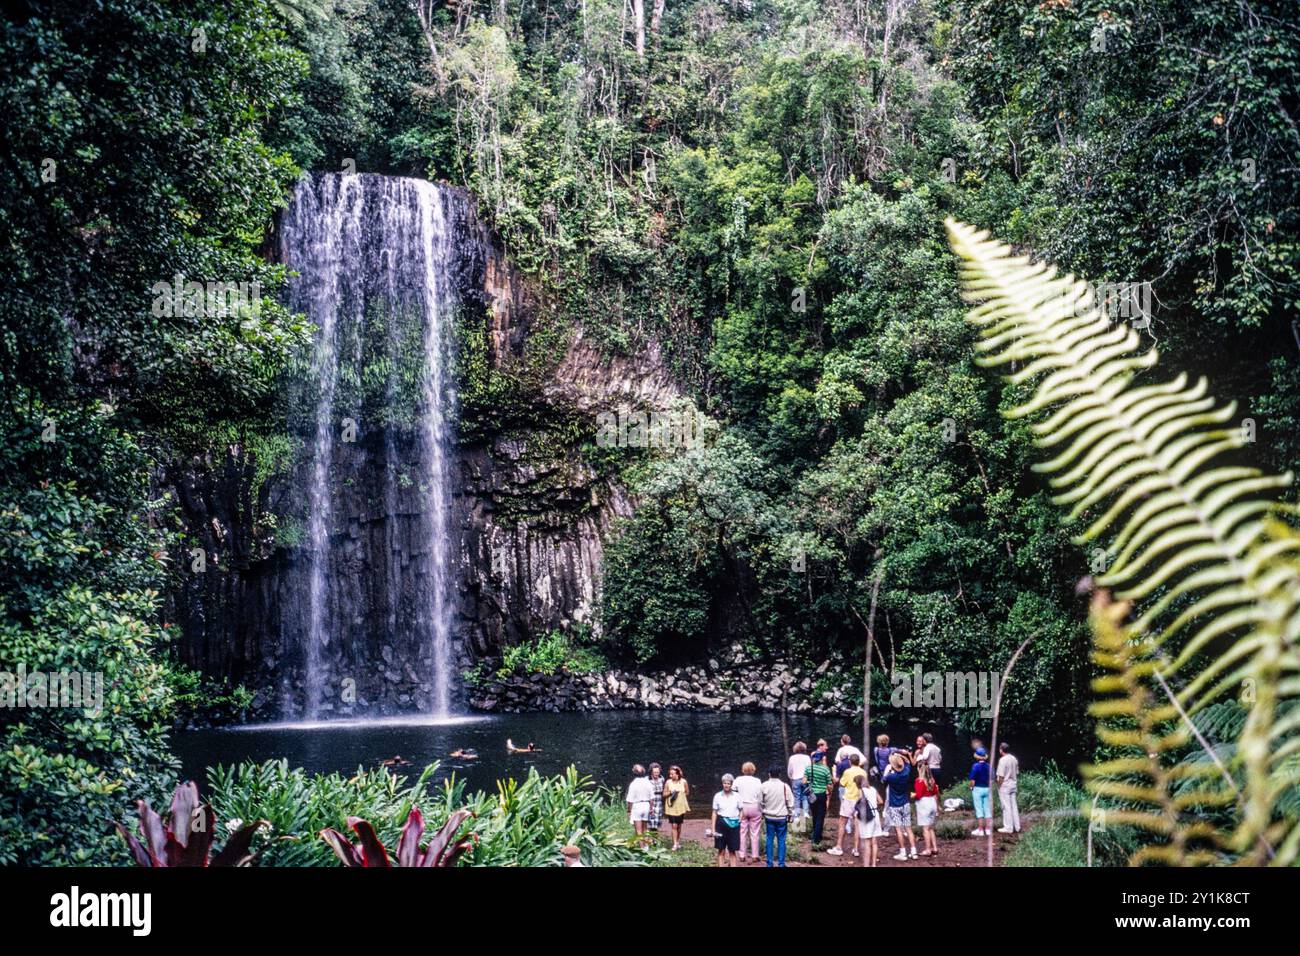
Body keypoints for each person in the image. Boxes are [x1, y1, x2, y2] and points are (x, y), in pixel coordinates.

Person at [829, 753, 867, 857]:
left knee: (842, 822)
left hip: (849, 799)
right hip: (859, 799)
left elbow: (842, 783)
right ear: (858, 762)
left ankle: (839, 847)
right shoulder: (863, 772)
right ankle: (856, 849)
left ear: (850, 761)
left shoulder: (847, 771)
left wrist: (834, 771)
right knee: (857, 825)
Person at [882, 752, 917, 861]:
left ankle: (903, 852)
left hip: (894, 806)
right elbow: (907, 762)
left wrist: (890, 769)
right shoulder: (906, 771)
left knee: (898, 829)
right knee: (909, 829)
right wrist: (902, 754)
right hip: (905, 803)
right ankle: (913, 851)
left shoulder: (891, 776)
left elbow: (883, 780)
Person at [760, 766, 795, 867]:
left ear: (769, 774)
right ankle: (781, 863)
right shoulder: (785, 786)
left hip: (769, 817)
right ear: (779, 774)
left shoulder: (764, 786)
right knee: (781, 840)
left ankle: (769, 863)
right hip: (781, 818)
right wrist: (791, 814)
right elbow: (791, 802)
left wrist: (763, 811)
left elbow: (759, 802)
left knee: (769, 839)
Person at [734, 761, 764, 863]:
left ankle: (742, 854)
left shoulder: (738, 779)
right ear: (753, 770)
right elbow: (760, 795)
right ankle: (755, 855)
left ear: (743, 770)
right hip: (755, 806)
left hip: (743, 806)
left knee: (742, 831)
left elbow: (733, 791)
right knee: (755, 832)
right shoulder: (757, 781)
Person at [711, 773, 743, 867]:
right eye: (725, 783)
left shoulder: (737, 796)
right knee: (721, 849)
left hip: (734, 825)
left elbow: (741, 810)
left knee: (732, 850)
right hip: (721, 823)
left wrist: (739, 820)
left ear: (731, 784)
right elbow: (714, 812)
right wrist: (713, 828)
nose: (726, 785)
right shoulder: (717, 796)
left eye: (728, 783)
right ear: (722, 784)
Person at [804, 750, 833, 845]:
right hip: (821, 794)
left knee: (814, 815)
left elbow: (804, 781)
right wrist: (829, 792)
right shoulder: (825, 769)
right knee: (821, 816)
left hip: (811, 794)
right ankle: (816, 839)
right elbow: (829, 784)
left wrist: (809, 782)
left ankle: (816, 835)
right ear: (821, 759)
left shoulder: (808, 768)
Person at [856, 772, 884, 867]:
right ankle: (874, 864)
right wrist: (873, 803)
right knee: (874, 841)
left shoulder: (861, 791)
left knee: (867, 842)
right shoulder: (873, 789)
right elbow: (881, 801)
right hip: (875, 814)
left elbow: (858, 804)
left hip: (868, 816)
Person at [913, 761, 940, 857]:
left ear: (919, 769)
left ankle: (928, 850)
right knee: (931, 828)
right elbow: (936, 792)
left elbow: (919, 795)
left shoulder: (919, 781)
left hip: (924, 804)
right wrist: (937, 807)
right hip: (932, 802)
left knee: (925, 829)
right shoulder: (932, 780)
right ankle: (935, 848)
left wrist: (913, 795)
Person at [663, 765, 690, 851]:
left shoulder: (683, 782)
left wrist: (680, 796)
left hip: (681, 807)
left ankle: (677, 841)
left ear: (677, 774)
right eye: (670, 774)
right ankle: (674, 843)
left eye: (672, 774)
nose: (670, 776)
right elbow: (664, 794)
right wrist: (671, 793)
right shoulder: (668, 782)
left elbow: (687, 792)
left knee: (679, 825)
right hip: (672, 807)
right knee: (674, 825)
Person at [996, 742, 1021, 833]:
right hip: (1013, 784)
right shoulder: (1014, 759)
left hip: (1005, 785)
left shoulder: (1002, 760)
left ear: (1001, 750)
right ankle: (1017, 827)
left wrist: (998, 786)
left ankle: (1008, 827)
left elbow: (1001, 776)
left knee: (1006, 807)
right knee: (1014, 806)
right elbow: (1017, 773)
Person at [626, 764, 654, 844]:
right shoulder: (647, 782)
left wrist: (629, 810)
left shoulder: (633, 784)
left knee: (638, 830)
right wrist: (651, 808)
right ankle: (646, 846)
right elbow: (652, 798)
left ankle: (642, 848)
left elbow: (629, 800)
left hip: (637, 806)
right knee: (645, 828)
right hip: (646, 805)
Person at [787, 741, 812, 829]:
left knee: (796, 797)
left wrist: (791, 777)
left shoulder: (792, 758)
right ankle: (805, 813)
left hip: (795, 779)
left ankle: (797, 816)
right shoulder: (807, 757)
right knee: (805, 796)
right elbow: (809, 769)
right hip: (805, 778)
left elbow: (789, 770)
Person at [969, 747, 992, 836]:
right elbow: (991, 779)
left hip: (978, 789)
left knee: (979, 809)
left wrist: (971, 788)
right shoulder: (989, 766)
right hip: (987, 789)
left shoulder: (975, 766)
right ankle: (988, 829)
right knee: (987, 809)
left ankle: (980, 830)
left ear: (977, 757)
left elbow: (972, 780)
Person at [648, 762, 666, 834]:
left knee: (657, 820)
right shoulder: (647, 779)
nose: (656, 774)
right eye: (654, 772)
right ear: (651, 772)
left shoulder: (662, 778)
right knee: (651, 820)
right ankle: (650, 838)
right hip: (651, 800)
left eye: (657, 772)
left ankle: (655, 838)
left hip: (659, 801)